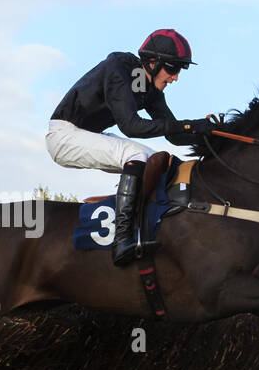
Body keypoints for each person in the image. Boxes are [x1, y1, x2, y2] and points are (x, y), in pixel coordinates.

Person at [46, 29, 216, 266]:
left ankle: (141, 226)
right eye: (173, 68)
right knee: (135, 154)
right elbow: (131, 126)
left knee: (157, 160)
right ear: (153, 62)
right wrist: (189, 126)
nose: (175, 77)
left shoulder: (149, 87)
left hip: (87, 134)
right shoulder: (120, 68)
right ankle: (122, 240)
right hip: (64, 135)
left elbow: (173, 136)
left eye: (179, 70)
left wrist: (208, 135)